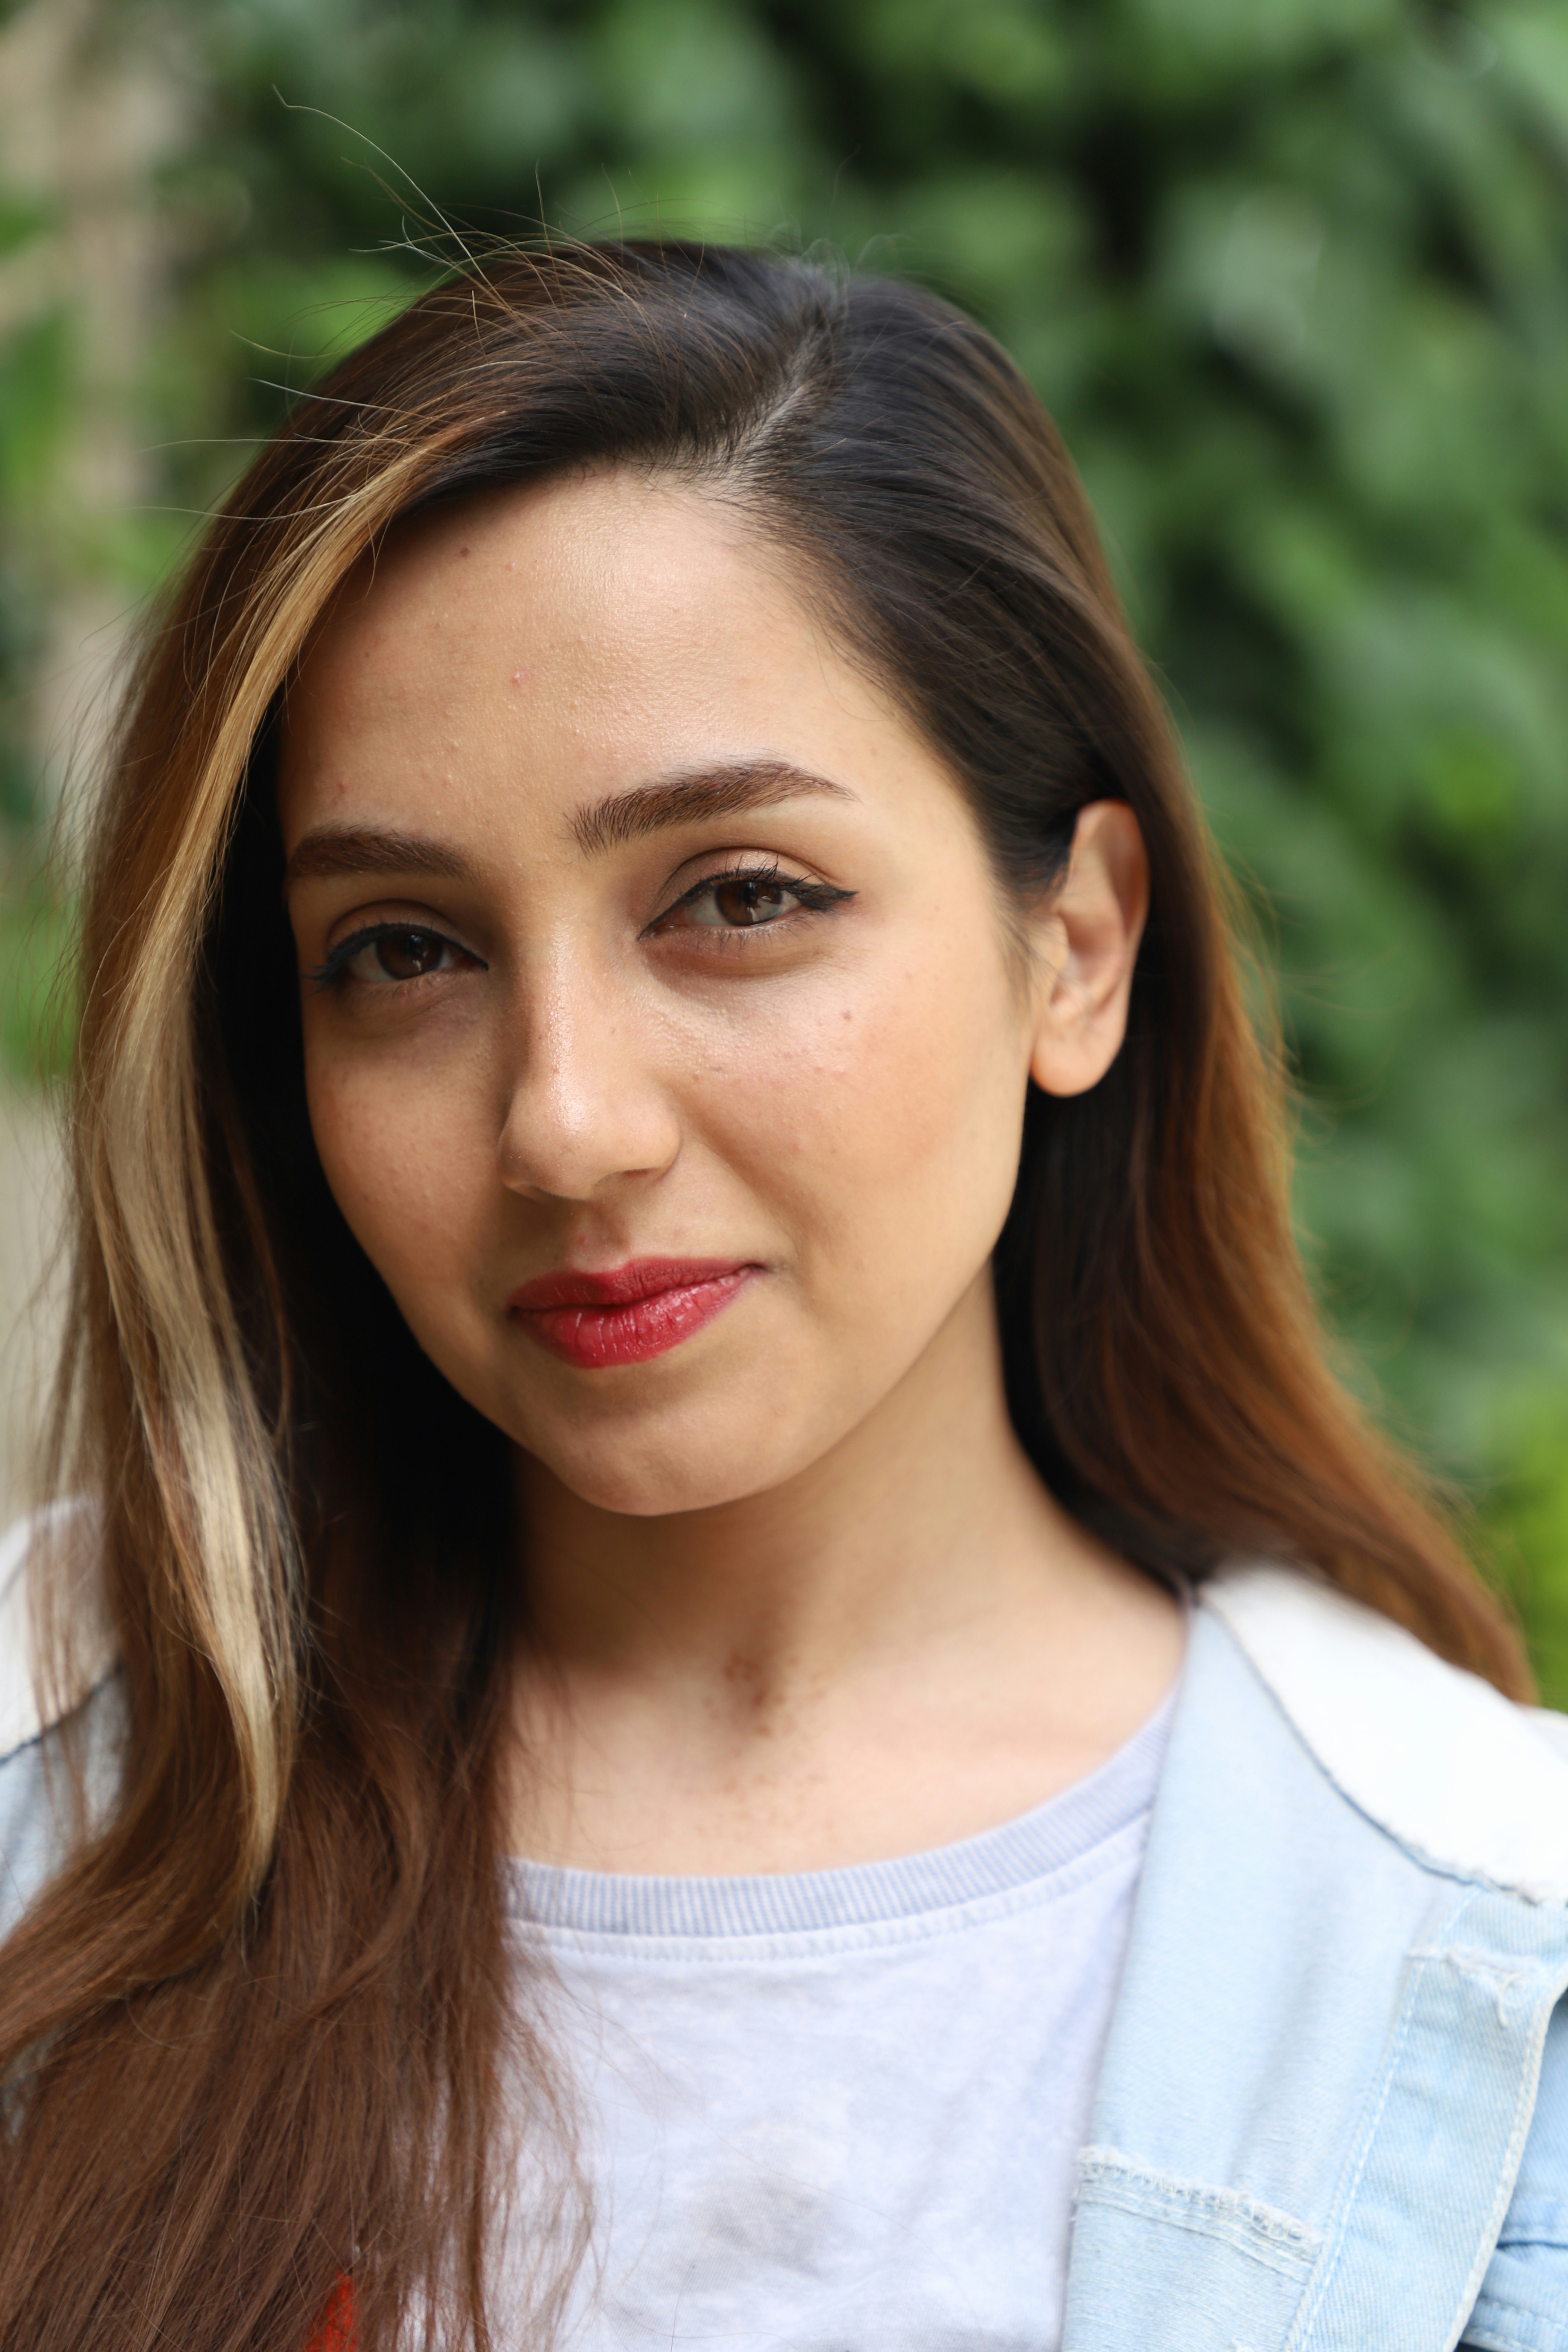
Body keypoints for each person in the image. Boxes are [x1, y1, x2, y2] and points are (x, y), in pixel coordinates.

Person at [0, 240, 1563, 2352]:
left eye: (739, 901)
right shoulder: (62, 1795)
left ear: (1077, 947)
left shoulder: (1474, 1968)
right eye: (402, 948)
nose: (565, 1120)